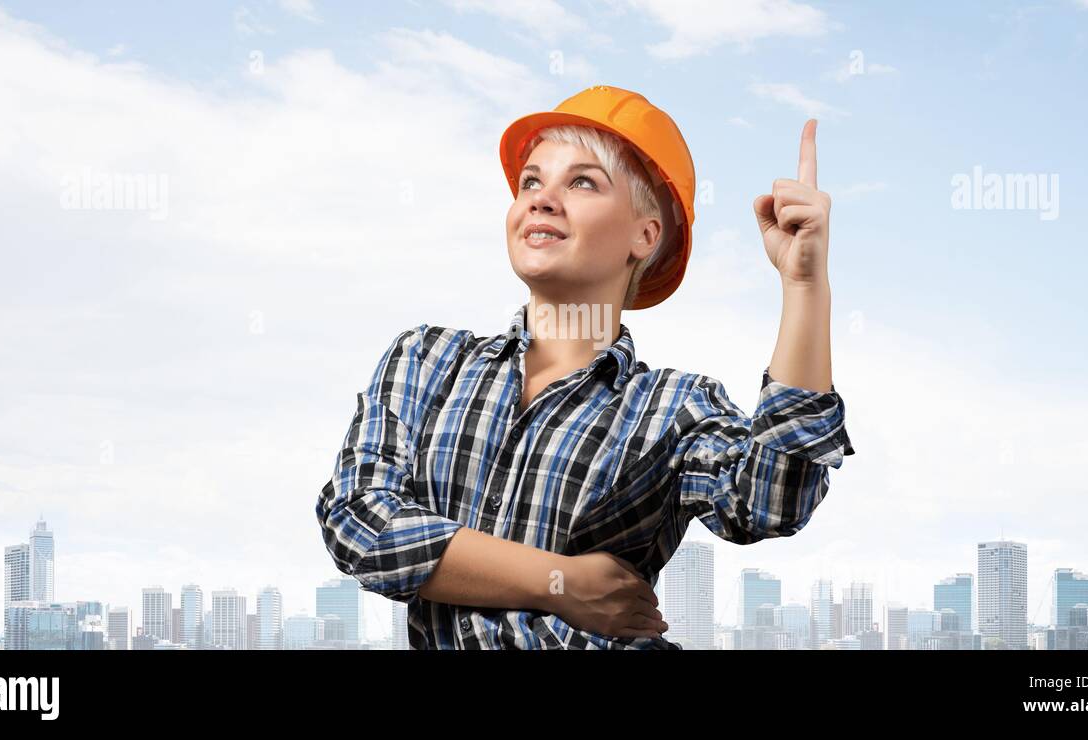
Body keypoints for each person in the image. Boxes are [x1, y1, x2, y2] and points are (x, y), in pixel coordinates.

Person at [315, 85, 855, 649]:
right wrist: (561, 583)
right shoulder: (426, 361)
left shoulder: (674, 407)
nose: (541, 199)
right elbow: (358, 523)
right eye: (531, 180)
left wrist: (804, 286)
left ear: (644, 235)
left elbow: (770, 505)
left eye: (581, 182)